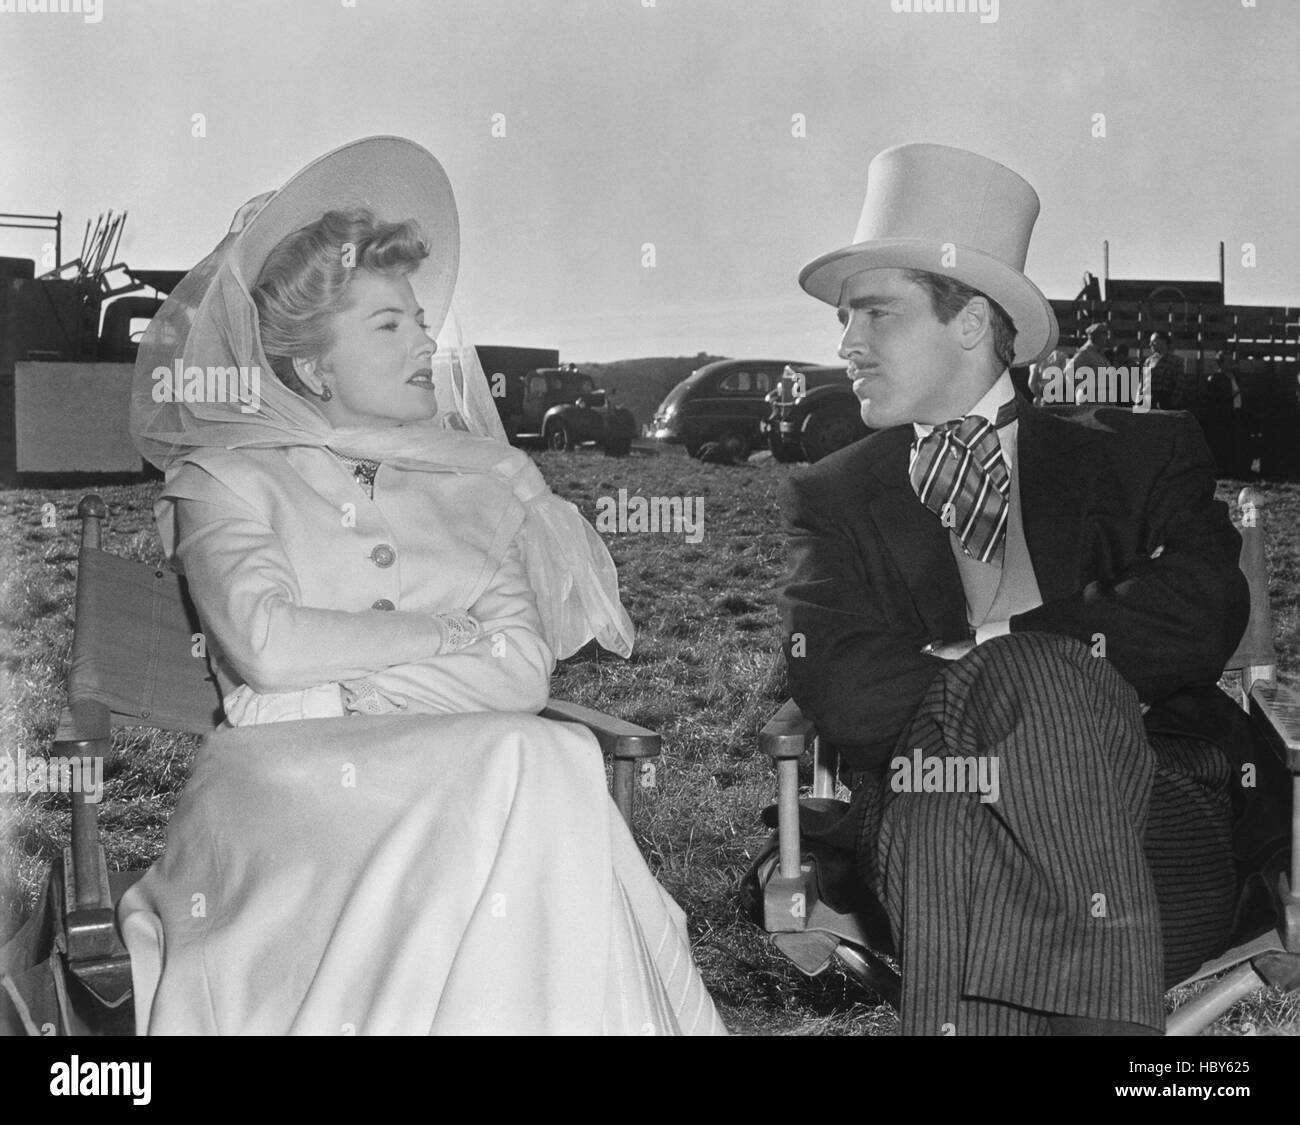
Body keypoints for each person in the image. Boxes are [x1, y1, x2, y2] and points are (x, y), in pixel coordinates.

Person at [120, 137, 725, 1036]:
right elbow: (266, 644)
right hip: (283, 800)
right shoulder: (228, 477)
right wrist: (451, 636)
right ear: (314, 369)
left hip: (460, 784)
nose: (425, 342)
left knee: (540, 757)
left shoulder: (481, 483)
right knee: (543, 763)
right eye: (389, 325)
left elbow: (521, 674)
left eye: (419, 320)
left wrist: (340, 683)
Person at [779, 143, 1283, 1035]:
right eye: (846, 319)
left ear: (970, 322)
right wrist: (1035, 680)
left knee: (1026, 714)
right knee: (1001, 749)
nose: (845, 343)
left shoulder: (1144, 452)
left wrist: (989, 654)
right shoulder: (835, 494)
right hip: (934, 802)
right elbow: (846, 688)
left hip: (1154, 818)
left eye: (875, 314)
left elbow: (1202, 612)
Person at [1143, 330, 1188, 410]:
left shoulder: (1176, 361)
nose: (1150, 345)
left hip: (1166, 402)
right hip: (1149, 403)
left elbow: (1179, 384)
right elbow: (1143, 383)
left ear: (1163, 342)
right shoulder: (1148, 361)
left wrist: (1173, 402)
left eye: (1154, 342)